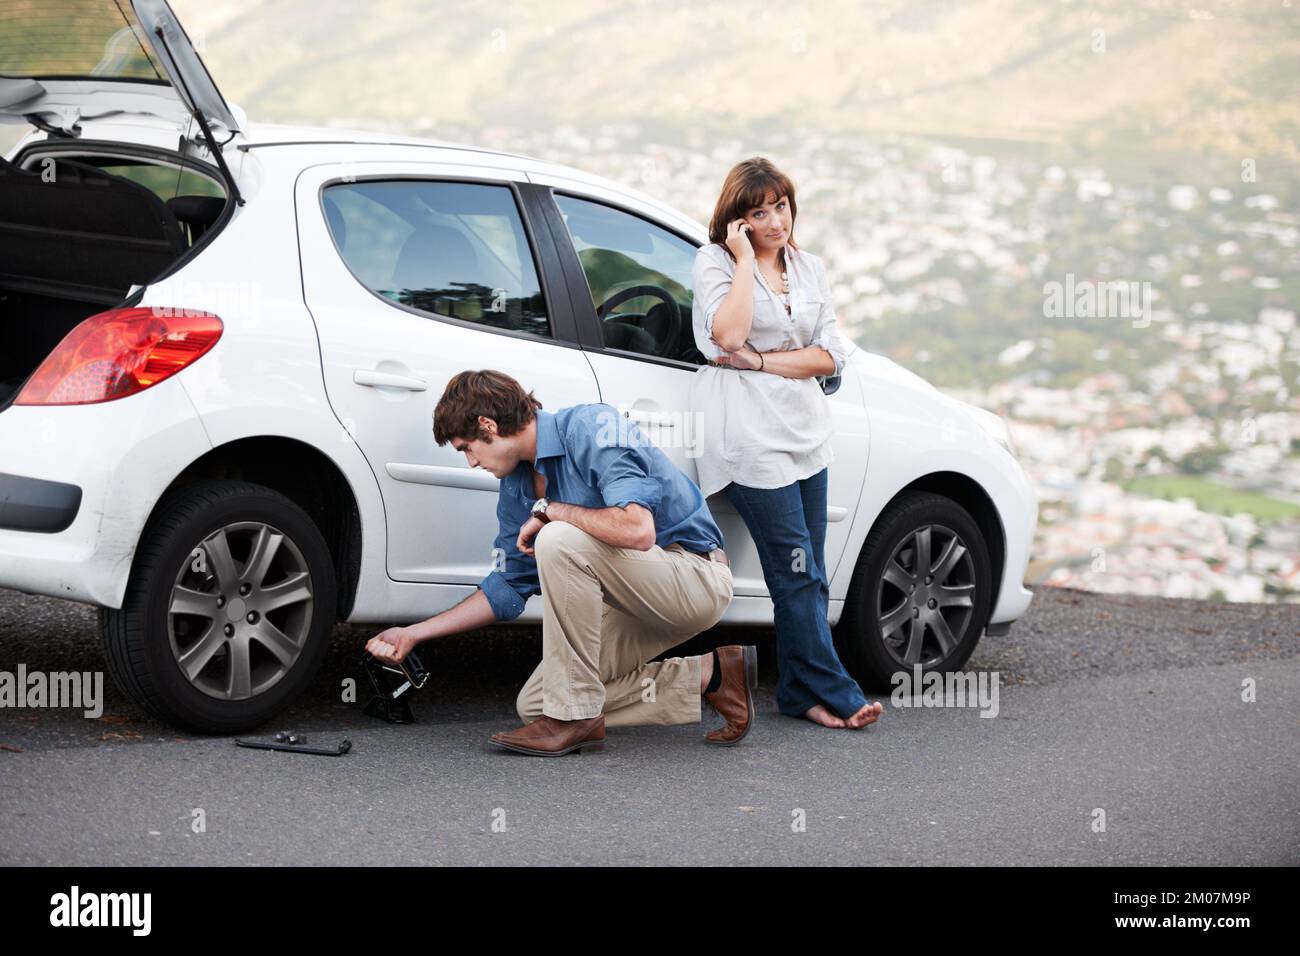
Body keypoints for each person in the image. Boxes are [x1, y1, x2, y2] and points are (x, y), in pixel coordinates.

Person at [365, 369, 756, 755]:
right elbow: (507, 587)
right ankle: (713, 675)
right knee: (539, 703)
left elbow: (638, 531)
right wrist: (415, 633)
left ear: (488, 425)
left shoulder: (592, 426)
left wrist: (552, 510)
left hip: (693, 576)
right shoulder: (516, 485)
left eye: (468, 447)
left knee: (558, 536)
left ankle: (576, 721)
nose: (470, 462)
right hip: (632, 599)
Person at [689, 156, 883, 730]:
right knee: (794, 570)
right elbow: (726, 335)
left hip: (807, 433)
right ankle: (836, 690)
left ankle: (799, 689)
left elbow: (829, 355)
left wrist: (762, 361)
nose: (776, 220)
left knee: (812, 568)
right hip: (749, 436)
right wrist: (745, 262)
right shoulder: (716, 263)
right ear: (737, 221)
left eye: (781, 205)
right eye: (759, 212)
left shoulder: (810, 267)